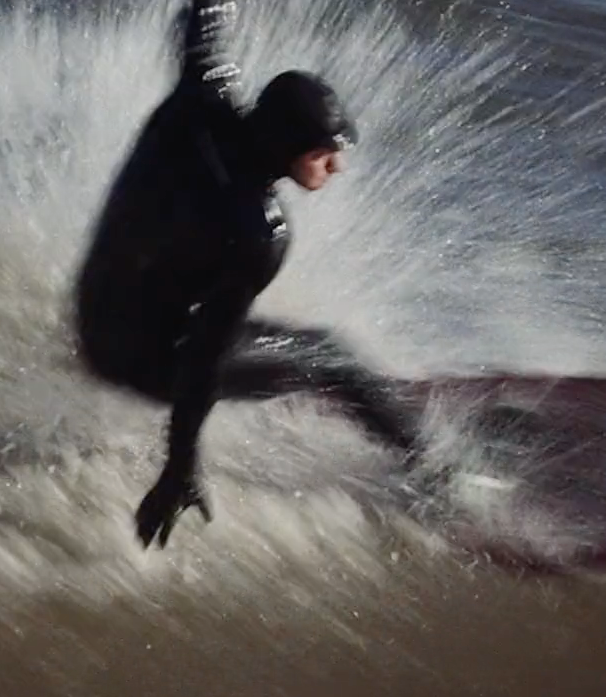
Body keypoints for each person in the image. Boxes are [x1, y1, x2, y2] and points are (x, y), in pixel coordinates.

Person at [72, 0, 423, 549]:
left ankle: (358, 415)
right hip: (140, 360)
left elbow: (203, 20)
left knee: (261, 338)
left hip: (94, 315)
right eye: (323, 154)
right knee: (331, 358)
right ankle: (439, 474)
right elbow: (203, 359)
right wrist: (180, 469)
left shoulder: (198, 98)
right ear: (288, 148)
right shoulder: (256, 234)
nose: (337, 166)